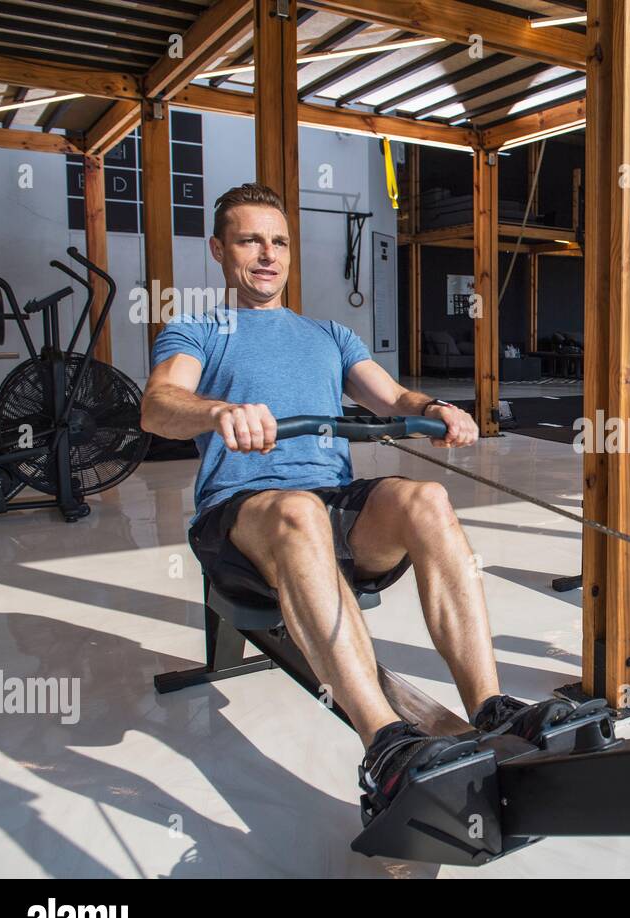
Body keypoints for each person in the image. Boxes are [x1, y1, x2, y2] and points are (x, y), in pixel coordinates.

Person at [140, 182, 576, 826]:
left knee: (424, 497)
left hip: (332, 509)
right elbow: (158, 405)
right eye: (250, 240)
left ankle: (489, 706)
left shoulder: (328, 334)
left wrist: (434, 408)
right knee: (298, 512)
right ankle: (385, 742)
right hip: (243, 514)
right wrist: (218, 410)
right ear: (218, 249)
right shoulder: (199, 328)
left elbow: (391, 397)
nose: (268, 254)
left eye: (279, 242)